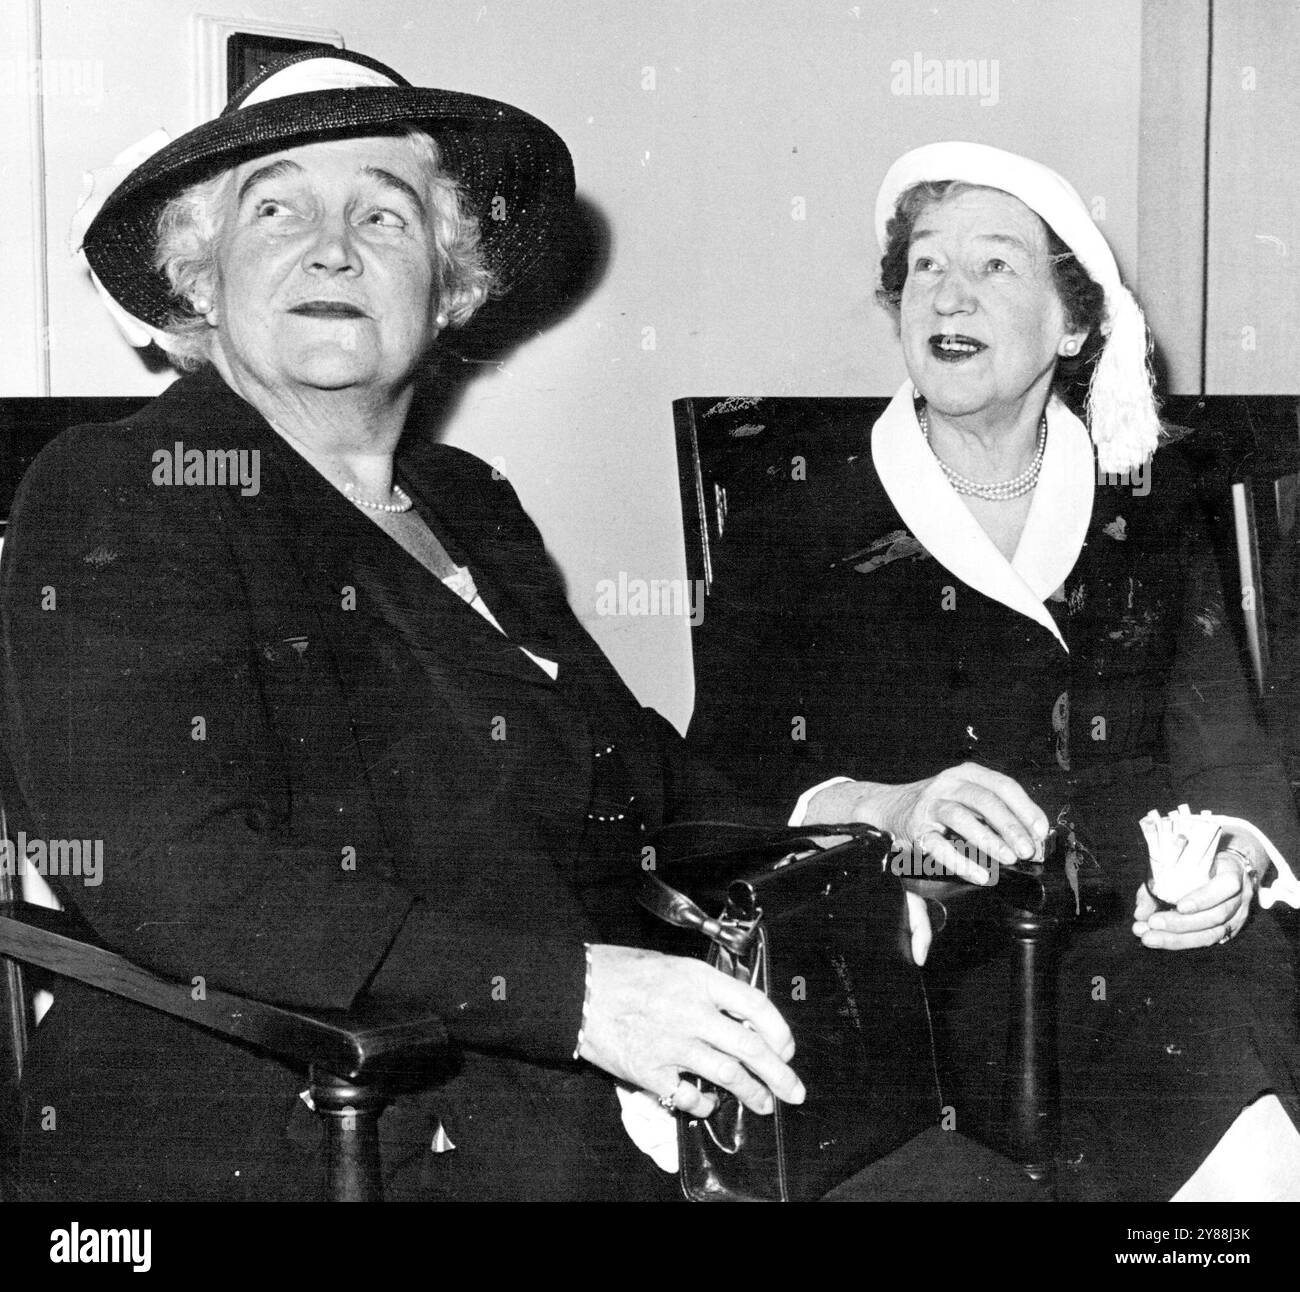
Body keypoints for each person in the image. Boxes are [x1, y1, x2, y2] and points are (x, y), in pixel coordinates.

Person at [0, 48, 815, 1202]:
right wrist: (577, 996)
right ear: (201, 279)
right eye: (275, 206)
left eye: (383, 213)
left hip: (535, 1097)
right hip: (297, 1122)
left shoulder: (471, 498)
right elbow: (168, 864)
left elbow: (631, 775)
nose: (332, 245)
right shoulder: (126, 488)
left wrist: (830, 812)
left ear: (447, 285)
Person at [686, 140, 1300, 1201]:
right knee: (1217, 1062)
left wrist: (1231, 863)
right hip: (936, 953)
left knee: (1237, 1000)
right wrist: (890, 804)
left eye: (994, 265)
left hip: (1158, 921)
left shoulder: (1140, 508)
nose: (948, 293)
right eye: (925, 266)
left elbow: (1224, 744)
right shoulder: (803, 513)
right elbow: (717, 777)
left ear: (1071, 324)